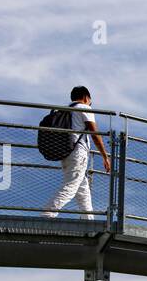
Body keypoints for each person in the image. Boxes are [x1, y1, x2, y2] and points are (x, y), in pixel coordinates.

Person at [43, 86, 111, 218]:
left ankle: (88, 219)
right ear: (86, 98)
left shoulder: (63, 109)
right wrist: (105, 156)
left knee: (82, 189)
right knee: (71, 185)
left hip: (65, 152)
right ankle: (48, 214)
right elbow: (95, 134)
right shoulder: (84, 107)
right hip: (78, 152)